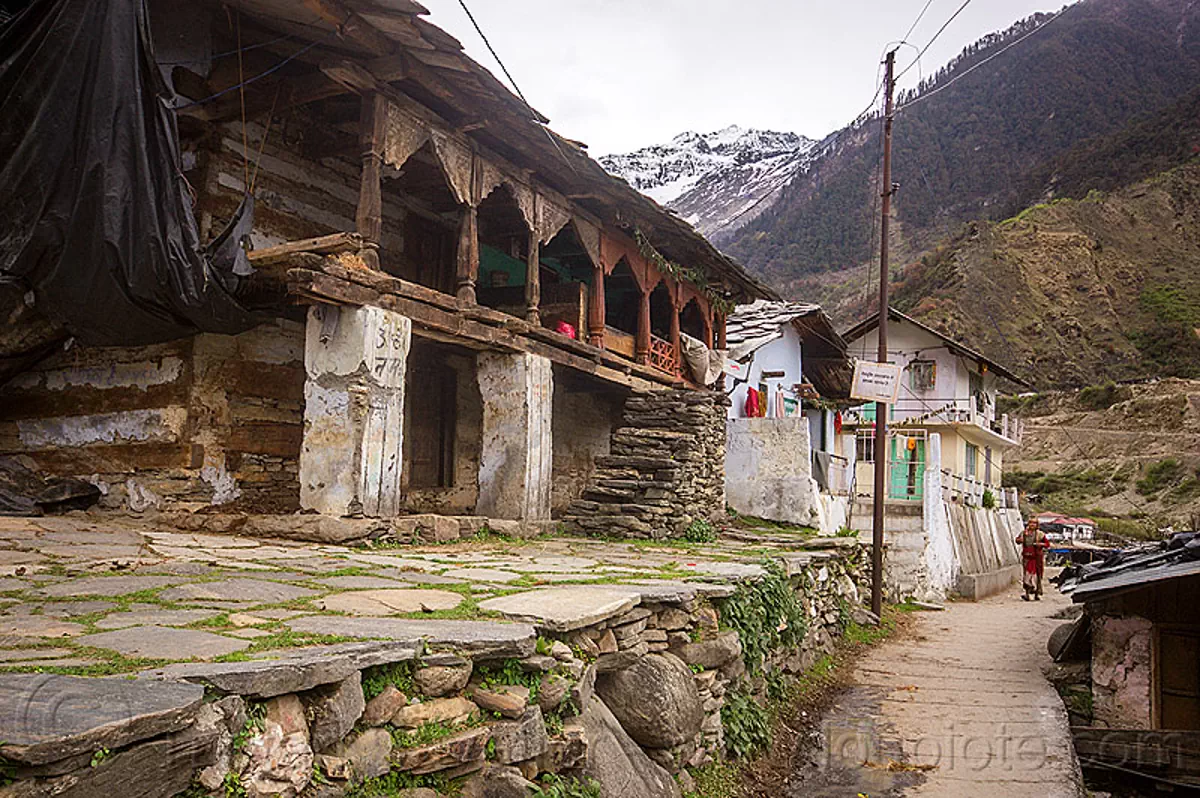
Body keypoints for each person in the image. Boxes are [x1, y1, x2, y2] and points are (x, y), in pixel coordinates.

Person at [1017, 518, 1050, 600]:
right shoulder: (1024, 533)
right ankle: (1027, 594)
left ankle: (1036, 594)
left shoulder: (1040, 534)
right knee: (1027, 576)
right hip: (1027, 557)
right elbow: (1017, 540)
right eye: (1031, 523)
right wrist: (1019, 540)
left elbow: (1047, 544)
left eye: (1034, 523)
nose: (1032, 525)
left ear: (1037, 525)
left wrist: (1040, 544)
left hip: (1037, 558)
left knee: (1036, 576)